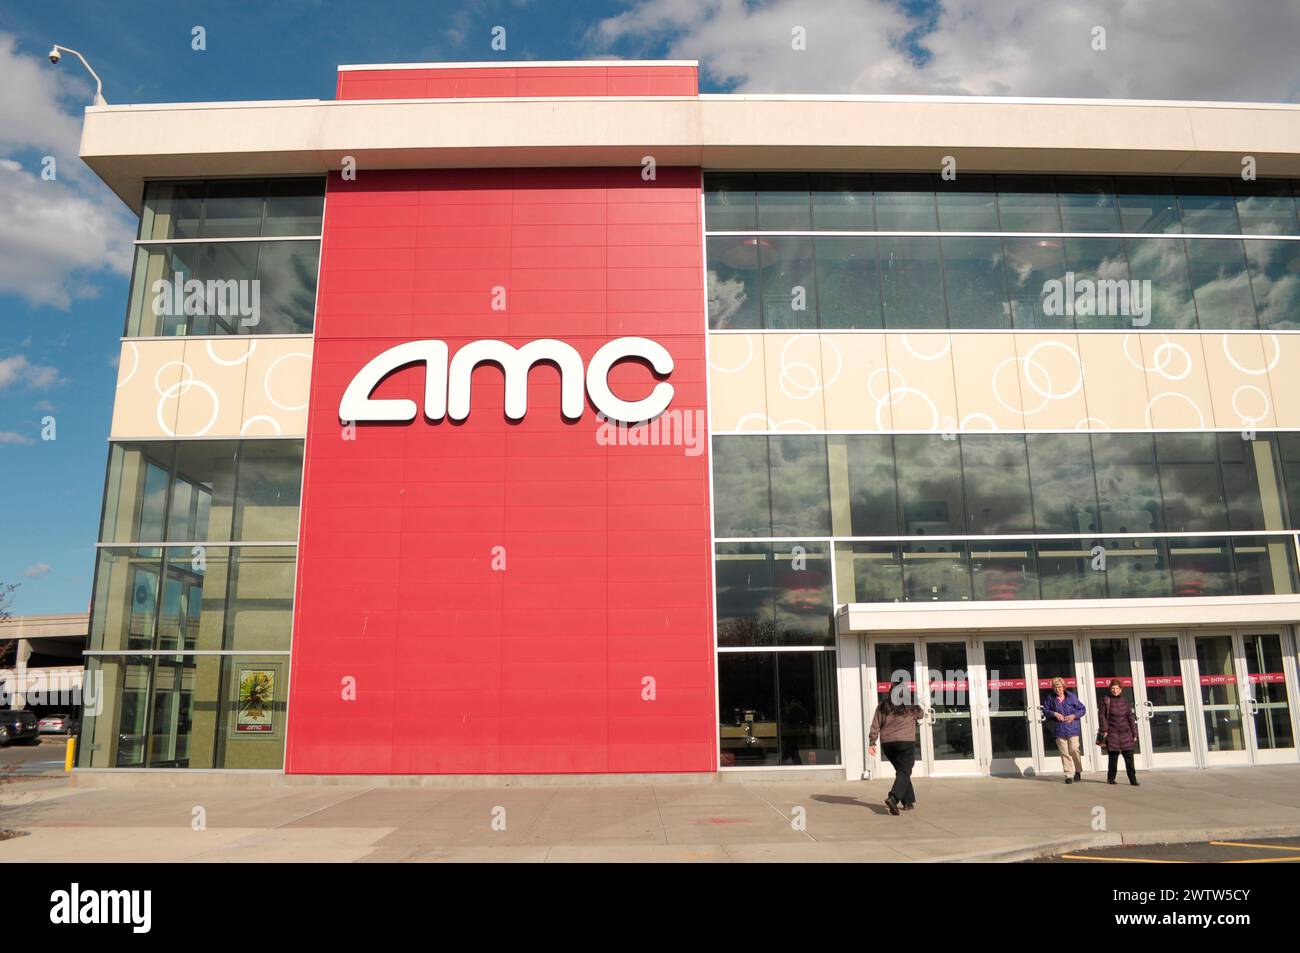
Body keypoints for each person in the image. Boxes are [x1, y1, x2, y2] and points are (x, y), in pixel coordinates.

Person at [867, 682, 927, 815]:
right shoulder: (911, 705)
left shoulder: (883, 705)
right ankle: (893, 797)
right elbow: (921, 715)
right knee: (905, 771)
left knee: (902, 771)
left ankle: (908, 802)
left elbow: (875, 724)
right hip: (905, 743)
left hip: (888, 744)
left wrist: (872, 742)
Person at [1041, 676, 1086, 783]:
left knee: (1074, 749)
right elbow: (1045, 710)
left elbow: (1082, 709)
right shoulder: (1050, 698)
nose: (1058, 689)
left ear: (1064, 687)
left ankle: (1078, 771)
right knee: (1064, 752)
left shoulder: (1072, 697)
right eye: (1056, 687)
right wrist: (1054, 713)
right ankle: (1068, 775)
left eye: (1060, 687)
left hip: (1072, 728)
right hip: (1059, 729)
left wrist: (1074, 716)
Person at [1100, 678, 1140, 786]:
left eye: (1117, 688)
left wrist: (1134, 733)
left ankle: (1133, 779)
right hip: (1112, 733)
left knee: (1129, 758)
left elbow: (1130, 718)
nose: (1114, 690)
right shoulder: (1106, 700)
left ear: (1121, 690)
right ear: (1110, 689)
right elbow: (1102, 716)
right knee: (1113, 758)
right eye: (1112, 688)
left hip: (1125, 733)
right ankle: (1111, 778)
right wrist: (1104, 729)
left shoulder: (1125, 701)